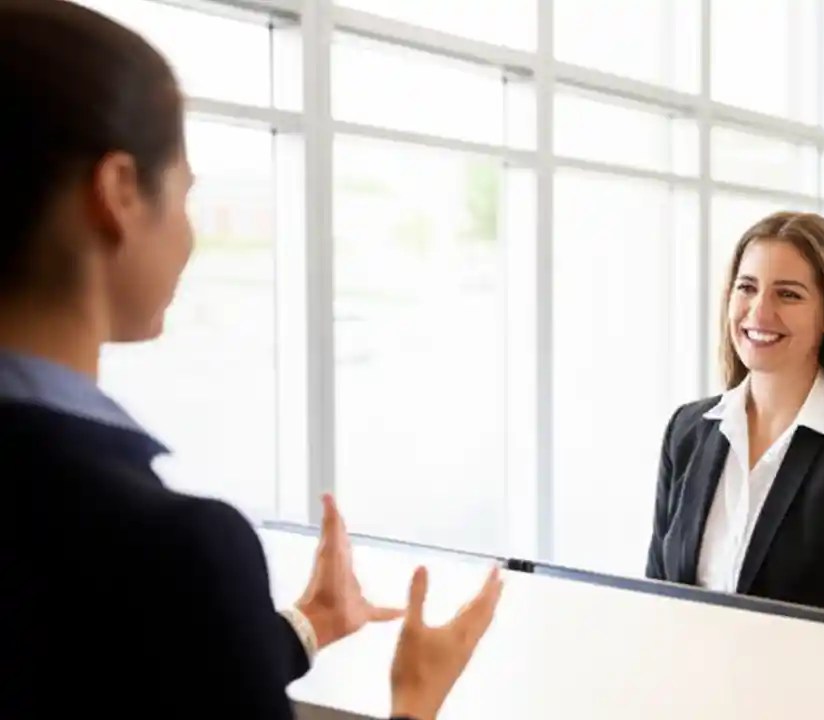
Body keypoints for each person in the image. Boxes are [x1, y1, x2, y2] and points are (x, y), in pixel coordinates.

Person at [0, 2, 501, 718]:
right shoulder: (170, 551)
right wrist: (417, 697)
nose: (188, 235)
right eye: (183, 194)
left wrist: (311, 623)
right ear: (116, 194)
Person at [645, 211, 824, 646]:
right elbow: (654, 602)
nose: (760, 311)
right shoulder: (687, 432)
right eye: (747, 288)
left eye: (788, 295)